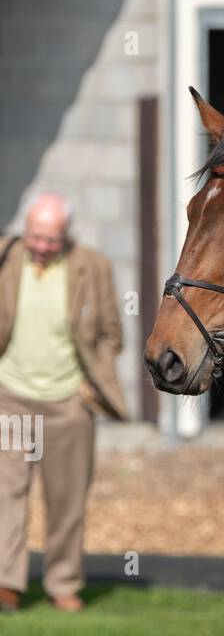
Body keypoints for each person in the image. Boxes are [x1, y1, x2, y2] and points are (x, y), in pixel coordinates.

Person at [0, 192, 128, 613]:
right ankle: (7, 584)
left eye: (50, 239)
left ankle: (63, 584)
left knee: (66, 499)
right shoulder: (5, 256)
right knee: (6, 494)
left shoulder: (92, 267)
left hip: (67, 403)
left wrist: (89, 390)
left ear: (66, 236)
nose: (40, 246)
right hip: (10, 397)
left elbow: (113, 333)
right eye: (34, 236)